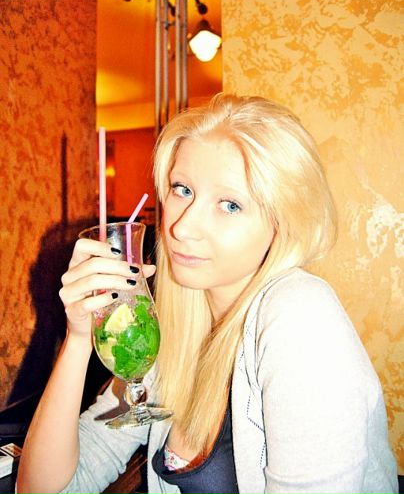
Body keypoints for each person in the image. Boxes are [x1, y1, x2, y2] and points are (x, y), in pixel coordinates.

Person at [17, 93, 398, 494]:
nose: (181, 228)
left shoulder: (300, 319)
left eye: (230, 205)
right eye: (182, 189)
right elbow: (45, 488)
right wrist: (80, 336)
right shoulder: (174, 330)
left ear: (282, 223)